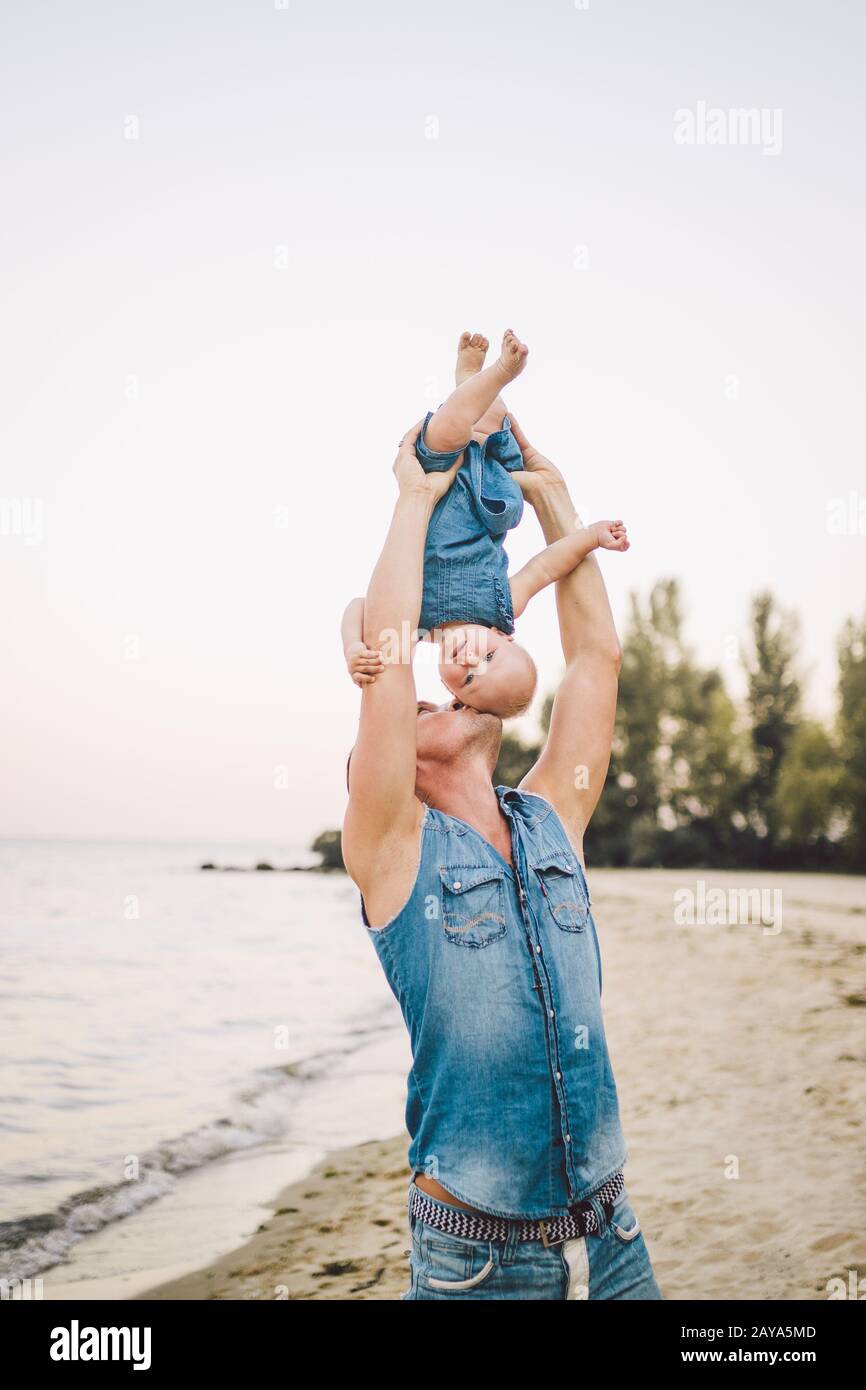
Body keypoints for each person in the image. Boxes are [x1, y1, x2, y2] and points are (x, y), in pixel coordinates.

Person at [341, 419, 661, 1300]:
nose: (449, 690)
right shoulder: (393, 848)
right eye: (425, 705)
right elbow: (391, 671)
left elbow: (597, 656)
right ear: (400, 761)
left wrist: (545, 488)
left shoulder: (554, 814)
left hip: (613, 1238)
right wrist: (416, 501)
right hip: (476, 1263)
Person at [341, 332, 628, 717]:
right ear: (503, 635)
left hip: (438, 485)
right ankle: (487, 376)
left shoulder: (414, 628)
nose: (470, 660)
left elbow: (359, 606)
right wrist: (590, 536)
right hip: (491, 496)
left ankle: (475, 378)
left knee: (446, 432)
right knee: (493, 417)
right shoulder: (503, 605)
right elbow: (546, 566)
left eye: (469, 679)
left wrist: (352, 648)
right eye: (489, 656)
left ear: (448, 689)